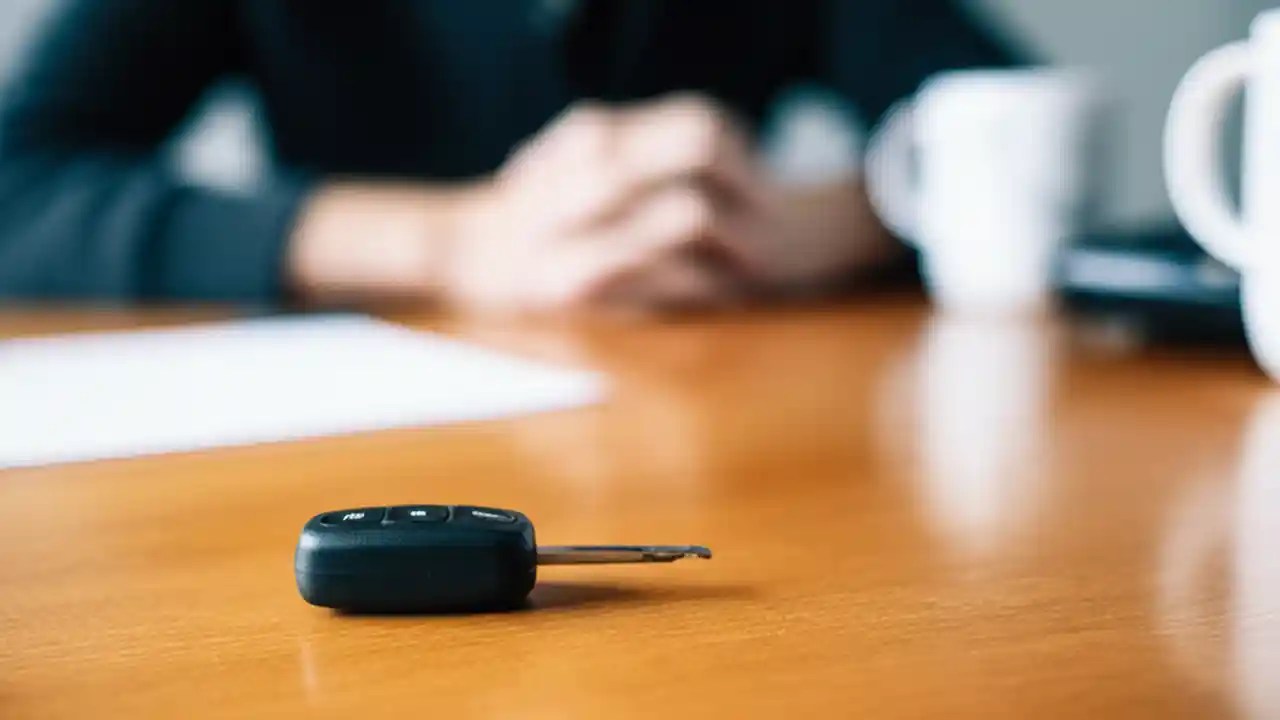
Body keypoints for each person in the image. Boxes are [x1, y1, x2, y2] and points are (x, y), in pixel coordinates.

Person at [0, 0, 1021, 313]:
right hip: (347, 437)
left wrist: (776, 223)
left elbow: (1006, 126)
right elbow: (16, 182)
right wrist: (452, 244)